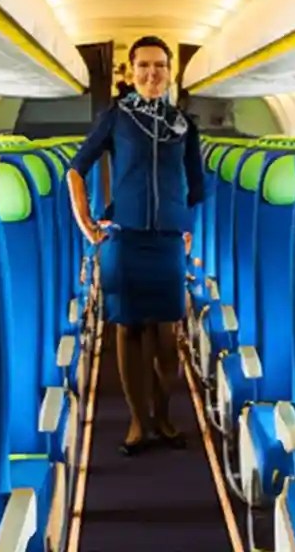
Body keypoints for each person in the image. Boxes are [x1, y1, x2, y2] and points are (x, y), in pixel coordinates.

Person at [68, 35, 205, 456]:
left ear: (170, 72)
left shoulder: (184, 124)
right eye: (143, 65)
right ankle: (138, 421)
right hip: (125, 236)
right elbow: (77, 168)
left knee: (166, 336)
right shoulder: (117, 117)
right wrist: (86, 222)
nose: (152, 73)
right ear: (131, 71)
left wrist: (186, 223)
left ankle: (163, 416)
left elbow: (197, 185)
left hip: (167, 241)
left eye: (160, 65)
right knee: (127, 329)